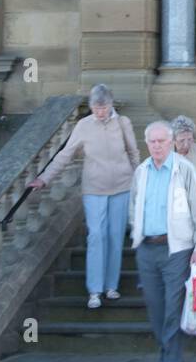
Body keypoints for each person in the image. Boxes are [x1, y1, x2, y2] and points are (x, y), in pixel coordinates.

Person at [29, 84, 138, 310]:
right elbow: (64, 155)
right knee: (97, 235)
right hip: (94, 188)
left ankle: (111, 286)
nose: (100, 112)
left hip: (122, 185)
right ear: (91, 107)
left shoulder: (123, 123)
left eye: (104, 107)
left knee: (115, 236)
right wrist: (44, 178)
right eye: (96, 108)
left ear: (111, 104)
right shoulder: (83, 126)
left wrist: (140, 181)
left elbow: (133, 152)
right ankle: (95, 290)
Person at [129, 121, 196, 362]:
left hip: (177, 248)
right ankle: (166, 354)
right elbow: (133, 205)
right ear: (147, 144)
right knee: (155, 306)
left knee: (173, 306)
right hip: (147, 246)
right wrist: (137, 231)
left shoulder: (184, 169)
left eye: (162, 141)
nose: (156, 146)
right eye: (152, 142)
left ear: (171, 142)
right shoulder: (141, 171)